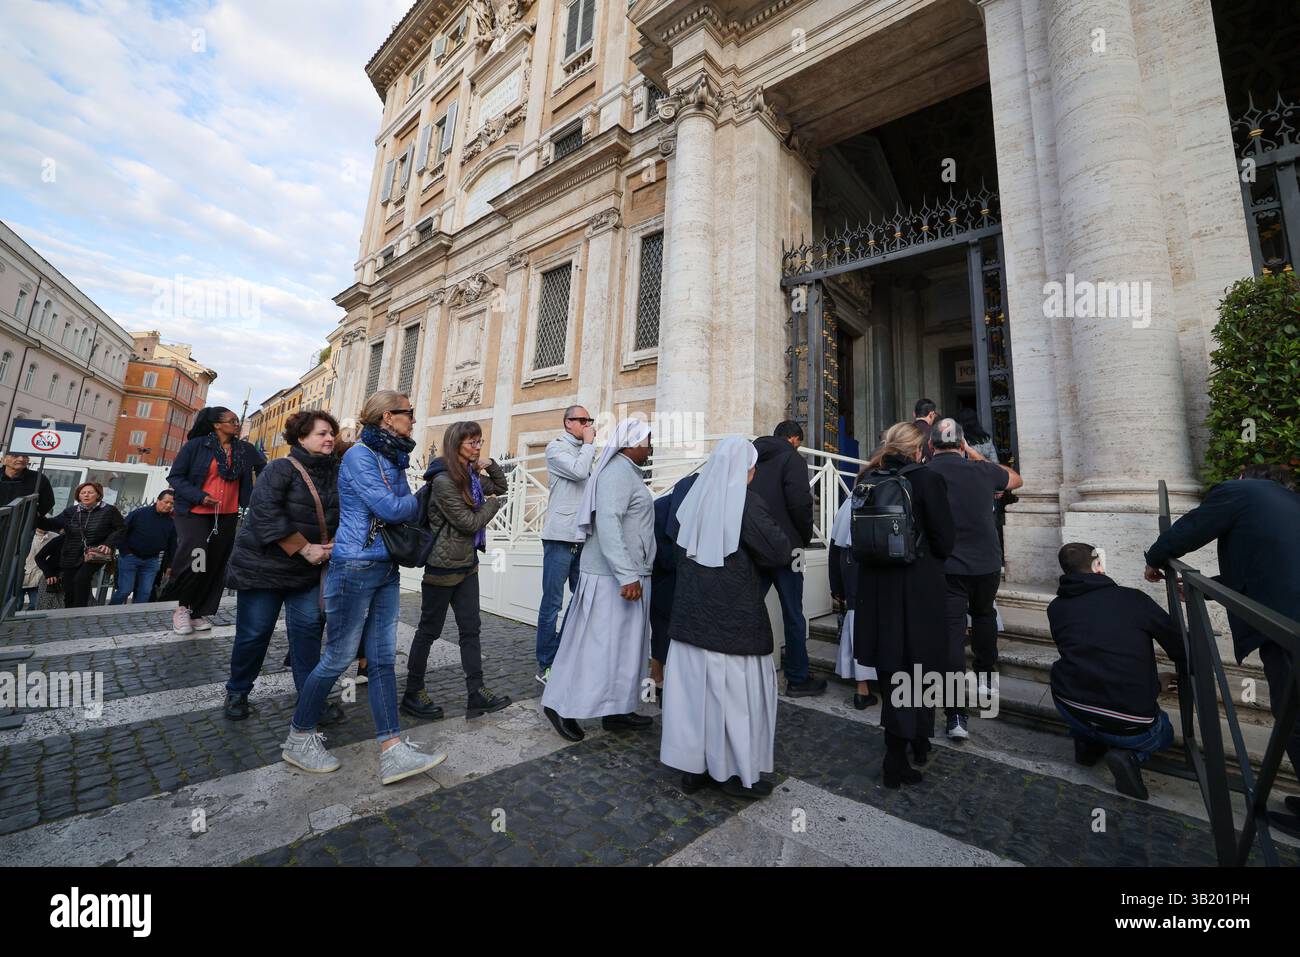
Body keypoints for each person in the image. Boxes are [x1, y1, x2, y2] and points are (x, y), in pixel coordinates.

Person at [281, 391, 447, 785]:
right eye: (409, 413)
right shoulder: (359, 456)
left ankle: (392, 750)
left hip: (385, 565)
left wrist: (411, 499)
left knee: (384, 659)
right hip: (355, 565)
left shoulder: (392, 456)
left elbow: (398, 505)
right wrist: (427, 493)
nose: (414, 419)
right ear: (388, 417)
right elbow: (392, 509)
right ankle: (298, 737)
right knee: (338, 658)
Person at [1144, 463, 1300, 835]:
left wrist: (1154, 558)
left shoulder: (1239, 491)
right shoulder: (1287, 501)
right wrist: (1208, 585)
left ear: (1244, 476)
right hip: (1289, 614)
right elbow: (1267, 563)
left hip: (1287, 623)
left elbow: (1191, 528)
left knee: (1294, 715)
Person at [660, 436, 792, 798]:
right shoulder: (746, 503)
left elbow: (674, 545)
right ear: (744, 470)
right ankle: (731, 772)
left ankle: (696, 767)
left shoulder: (692, 498)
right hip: (733, 623)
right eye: (751, 468)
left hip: (691, 619)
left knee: (696, 700)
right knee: (734, 703)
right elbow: (778, 550)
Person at [854, 422, 955, 788]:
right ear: (922, 449)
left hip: (876, 590)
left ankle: (908, 743)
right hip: (917, 587)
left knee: (893, 672)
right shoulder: (927, 479)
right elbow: (945, 540)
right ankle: (904, 753)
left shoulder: (866, 478)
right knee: (919, 670)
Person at [542, 418, 655, 741]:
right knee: (593, 649)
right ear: (631, 443)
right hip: (612, 579)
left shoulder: (627, 473)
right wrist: (627, 574)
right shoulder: (618, 473)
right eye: (646, 440)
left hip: (626, 576)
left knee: (624, 649)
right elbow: (608, 524)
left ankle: (617, 709)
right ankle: (560, 705)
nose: (650, 446)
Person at [224, 411, 341, 724]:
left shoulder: (336, 472)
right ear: (301, 438)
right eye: (321, 433)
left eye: (332, 433)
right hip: (263, 570)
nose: (330, 438)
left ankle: (312, 698)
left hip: (305, 574)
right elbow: (264, 514)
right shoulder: (280, 468)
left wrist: (332, 545)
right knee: (254, 634)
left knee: (307, 637)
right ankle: (237, 691)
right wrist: (304, 548)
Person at [1050, 543, 1182, 800]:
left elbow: (1091, 658)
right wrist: (1155, 685)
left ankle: (1087, 742)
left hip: (1071, 705)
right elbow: (1179, 647)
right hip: (1131, 721)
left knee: (1081, 676)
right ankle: (1130, 755)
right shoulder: (1133, 599)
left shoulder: (1056, 608)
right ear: (1098, 565)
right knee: (1164, 733)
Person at [402, 420, 513, 721]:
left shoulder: (471, 476)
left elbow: (501, 486)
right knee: (428, 631)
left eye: (479, 441)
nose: (477, 447)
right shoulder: (445, 481)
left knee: (471, 630)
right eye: (471, 443)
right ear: (455, 445)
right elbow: (468, 523)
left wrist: (490, 465)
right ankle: (412, 693)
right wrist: (491, 506)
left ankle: (476, 693)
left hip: (467, 566)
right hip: (442, 568)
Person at [926, 417, 1022, 740]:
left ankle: (956, 716)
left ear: (930, 445)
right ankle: (984, 677)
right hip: (987, 563)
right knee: (984, 616)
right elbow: (1016, 480)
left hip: (949, 564)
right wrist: (976, 455)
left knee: (953, 634)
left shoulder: (926, 474)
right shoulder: (981, 470)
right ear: (963, 444)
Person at [165, 407, 266, 635]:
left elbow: (265, 471)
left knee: (214, 563)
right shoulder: (196, 446)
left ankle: (198, 612)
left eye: (237, 420)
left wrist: (259, 492)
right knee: (197, 555)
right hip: (194, 512)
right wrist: (200, 496)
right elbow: (175, 477)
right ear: (217, 425)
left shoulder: (245, 449)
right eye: (232, 421)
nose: (237, 424)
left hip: (226, 515)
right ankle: (182, 607)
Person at [751, 420, 824, 696]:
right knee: (794, 613)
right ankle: (797, 677)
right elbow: (801, 503)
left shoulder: (753, 456)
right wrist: (803, 539)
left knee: (748, 605)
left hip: (756, 546)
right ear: (794, 439)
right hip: (790, 548)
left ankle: (745, 670)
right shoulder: (792, 458)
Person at [535, 405, 597, 684]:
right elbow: (579, 472)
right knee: (552, 604)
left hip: (583, 536)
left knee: (583, 598)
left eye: (589, 420)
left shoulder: (585, 449)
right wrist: (589, 444)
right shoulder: (556, 448)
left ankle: (564, 650)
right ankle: (546, 664)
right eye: (580, 420)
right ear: (567, 423)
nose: (586, 424)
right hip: (560, 537)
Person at [648, 470, 699, 704]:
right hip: (664, 573)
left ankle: (667, 680)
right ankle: (657, 678)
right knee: (662, 627)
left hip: (682, 574)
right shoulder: (660, 508)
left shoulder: (677, 504)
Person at [828, 495, 877, 709]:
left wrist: (836, 587)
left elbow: (835, 546)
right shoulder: (897, 492)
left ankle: (862, 687)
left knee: (857, 619)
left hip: (852, 564)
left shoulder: (852, 500)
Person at [47, 482, 126, 608]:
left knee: (81, 579)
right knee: (69, 588)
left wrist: (108, 543)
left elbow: (121, 529)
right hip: (71, 554)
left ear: (98, 495)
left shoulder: (109, 510)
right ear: (78, 496)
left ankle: (79, 613)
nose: (86, 495)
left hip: (94, 553)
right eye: (83, 493)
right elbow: (53, 523)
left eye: (90, 492)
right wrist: (37, 517)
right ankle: (67, 616)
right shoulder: (71, 512)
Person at [110, 491, 177, 605]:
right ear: (158, 500)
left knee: (145, 592)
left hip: (152, 560)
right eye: (166, 502)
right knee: (125, 590)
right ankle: (109, 612)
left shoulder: (171, 522)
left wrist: (170, 565)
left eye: (172, 503)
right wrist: (125, 551)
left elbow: (172, 545)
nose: (169, 505)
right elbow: (122, 531)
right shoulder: (140, 513)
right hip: (130, 557)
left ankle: (135, 615)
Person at [21, 527, 55, 610]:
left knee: (35, 605)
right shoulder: (25, 535)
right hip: (21, 576)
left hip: (39, 577)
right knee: (16, 605)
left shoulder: (54, 537)